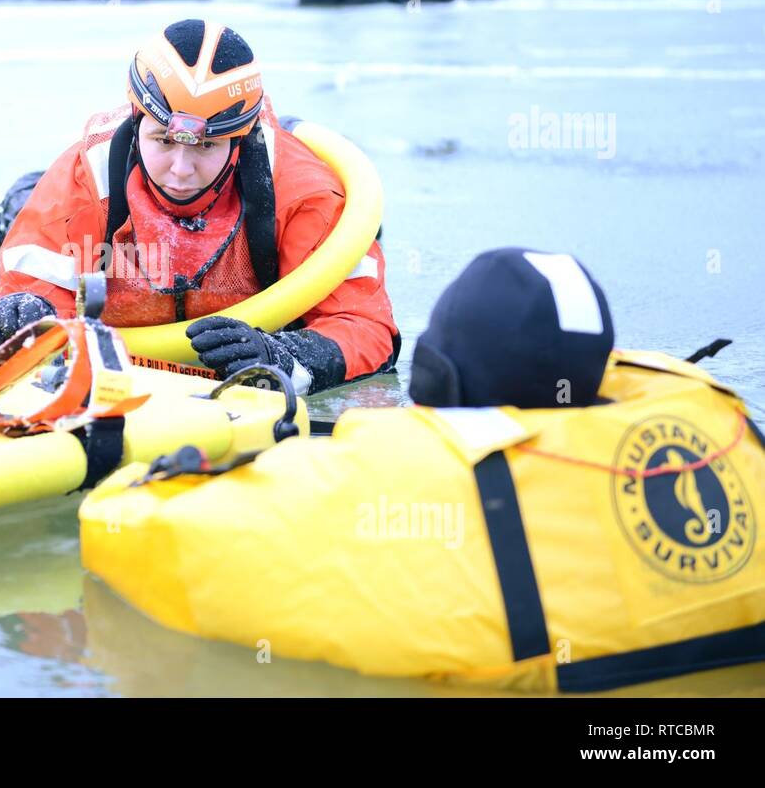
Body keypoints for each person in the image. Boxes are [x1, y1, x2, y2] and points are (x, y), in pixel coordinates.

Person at [80, 248, 765, 689]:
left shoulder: (388, 488)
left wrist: (177, 468)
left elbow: (127, 530)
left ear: (439, 381)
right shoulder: (721, 422)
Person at [0, 19, 399, 396]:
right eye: (163, 140)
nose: (180, 170)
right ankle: (13, 200)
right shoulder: (85, 179)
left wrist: (285, 357)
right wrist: (22, 317)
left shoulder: (303, 193)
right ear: (137, 121)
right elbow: (23, 293)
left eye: (207, 145)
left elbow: (367, 326)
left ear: (239, 139)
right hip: (92, 230)